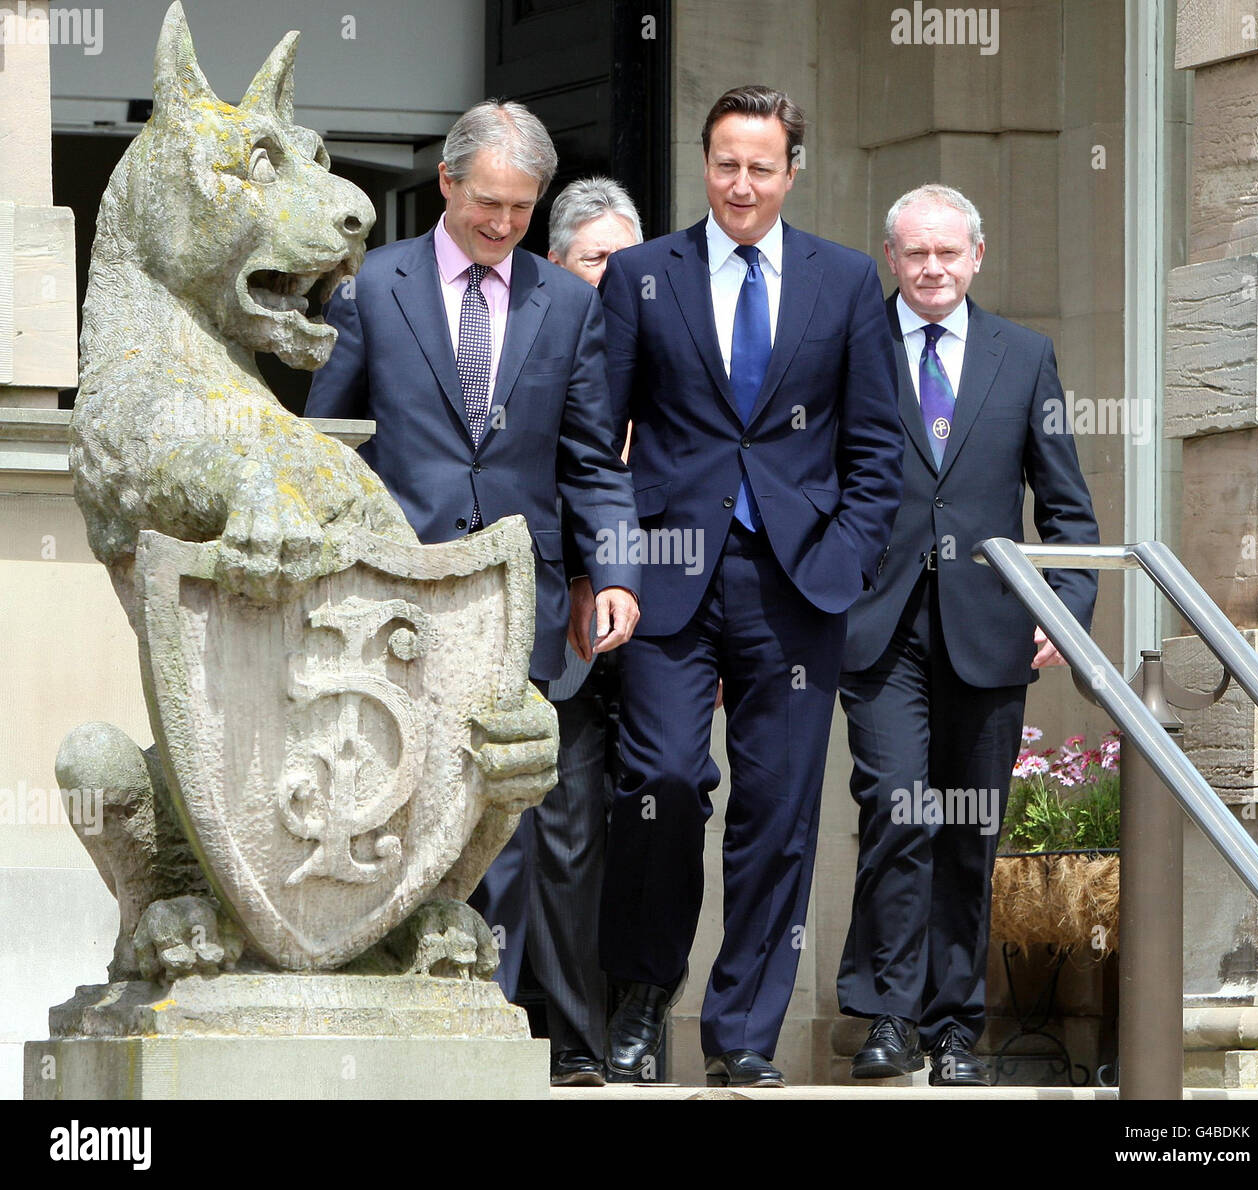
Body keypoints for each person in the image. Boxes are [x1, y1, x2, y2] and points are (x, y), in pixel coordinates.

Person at [596, 84, 905, 1088]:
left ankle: (740, 1035)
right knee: (665, 784)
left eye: (760, 166)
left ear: (790, 170)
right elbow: (596, 440)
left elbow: (874, 448)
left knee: (778, 811)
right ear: (704, 162)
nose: (740, 183)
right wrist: (607, 563)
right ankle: (641, 998)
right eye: (725, 162)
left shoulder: (848, 281)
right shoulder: (644, 275)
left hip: (794, 584)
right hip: (663, 580)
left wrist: (845, 558)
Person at [304, 101, 641, 1015]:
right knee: (389, 807)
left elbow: (589, 460)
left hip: (509, 604)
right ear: (447, 183)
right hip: (389, 602)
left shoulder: (564, 302)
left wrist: (611, 572)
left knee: (500, 821)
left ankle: (479, 1020)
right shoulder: (371, 287)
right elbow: (328, 443)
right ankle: (380, 1016)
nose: (501, 224)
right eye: (486, 202)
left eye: (521, 210)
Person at [838, 183, 1099, 1087]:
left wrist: (1063, 607)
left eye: (949, 253)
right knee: (897, 812)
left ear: (977, 257)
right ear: (892, 258)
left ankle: (955, 1029)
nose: (933, 268)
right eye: (916, 254)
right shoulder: (850, 343)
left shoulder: (1025, 357)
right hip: (878, 631)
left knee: (967, 831)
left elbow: (1066, 505)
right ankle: (885, 1016)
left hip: (988, 630)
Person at [532, 176, 643, 1088]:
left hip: (663, 639)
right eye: (597, 258)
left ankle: (637, 1011)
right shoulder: (542, 335)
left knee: (660, 821)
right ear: (560, 266)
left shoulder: (670, 352)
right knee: (562, 833)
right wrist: (580, 576)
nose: (615, 275)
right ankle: (572, 1040)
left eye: (625, 258)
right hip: (560, 630)